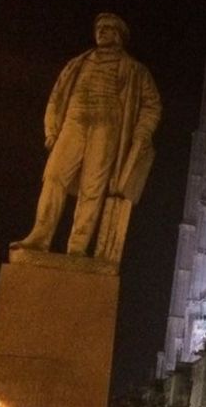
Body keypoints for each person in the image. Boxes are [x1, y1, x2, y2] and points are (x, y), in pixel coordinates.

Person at [11, 13, 161, 262]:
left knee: (92, 188)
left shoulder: (135, 70)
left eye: (109, 28)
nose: (102, 31)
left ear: (120, 36)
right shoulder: (77, 64)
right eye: (100, 28)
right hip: (74, 121)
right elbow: (56, 98)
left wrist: (142, 132)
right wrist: (51, 130)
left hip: (108, 127)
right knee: (54, 175)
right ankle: (40, 236)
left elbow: (152, 104)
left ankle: (78, 247)